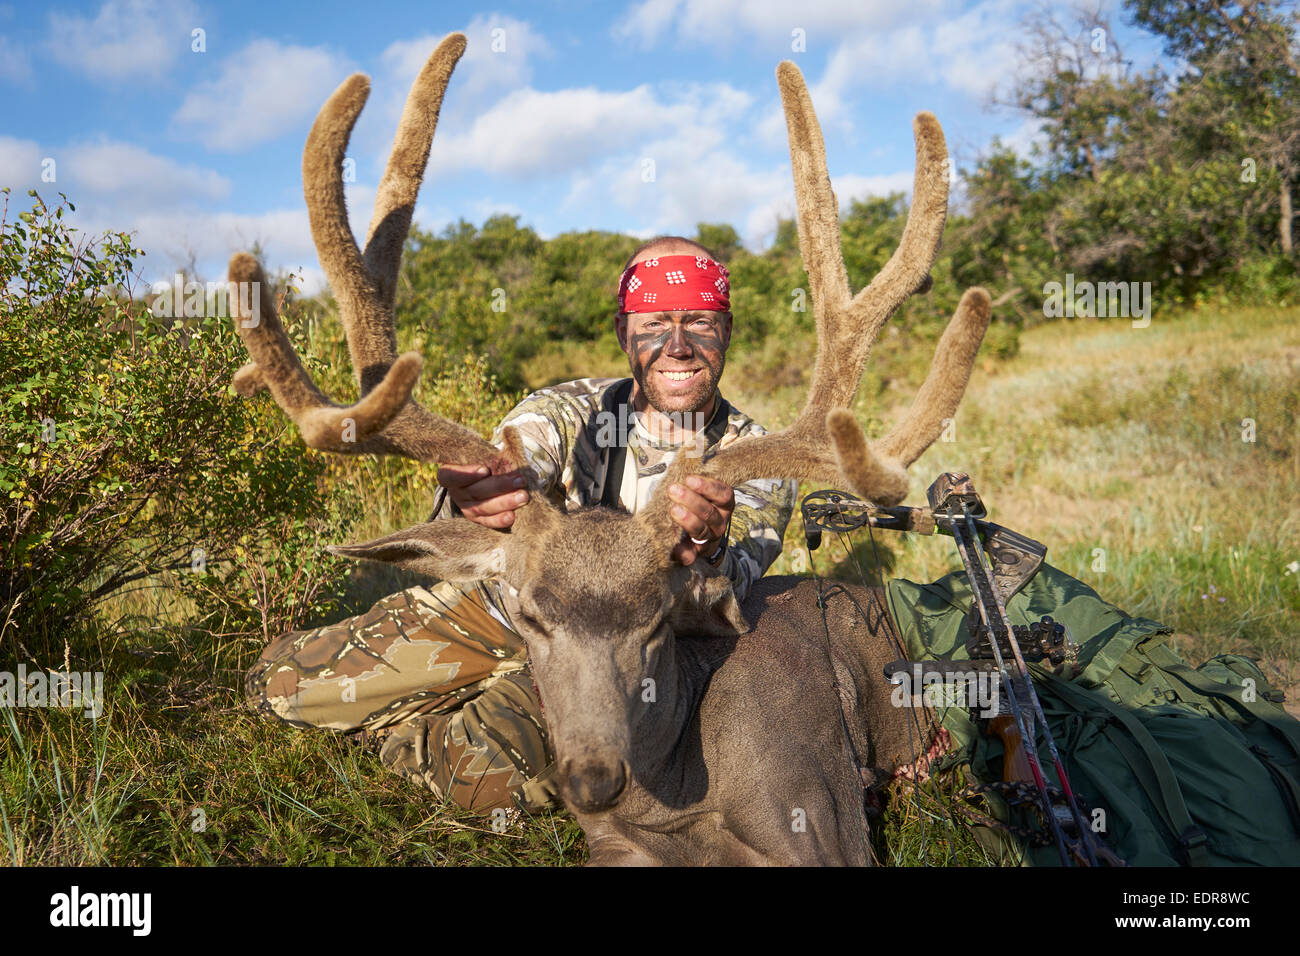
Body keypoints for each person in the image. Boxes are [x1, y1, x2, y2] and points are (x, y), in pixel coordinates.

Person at [244, 236, 796, 812]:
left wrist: (708, 545)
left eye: (700, 323)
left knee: (488, 785)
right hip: (503, 609)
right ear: (623, 332)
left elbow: (729, 595)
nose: (677, 345)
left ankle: (408, 735)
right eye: (655, 322)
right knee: (279, 687)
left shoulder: (760, 459)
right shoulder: (567, 410)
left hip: (620, 662)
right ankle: (447, 690)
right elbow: (517, 457)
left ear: (727, 330)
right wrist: (480, 494)